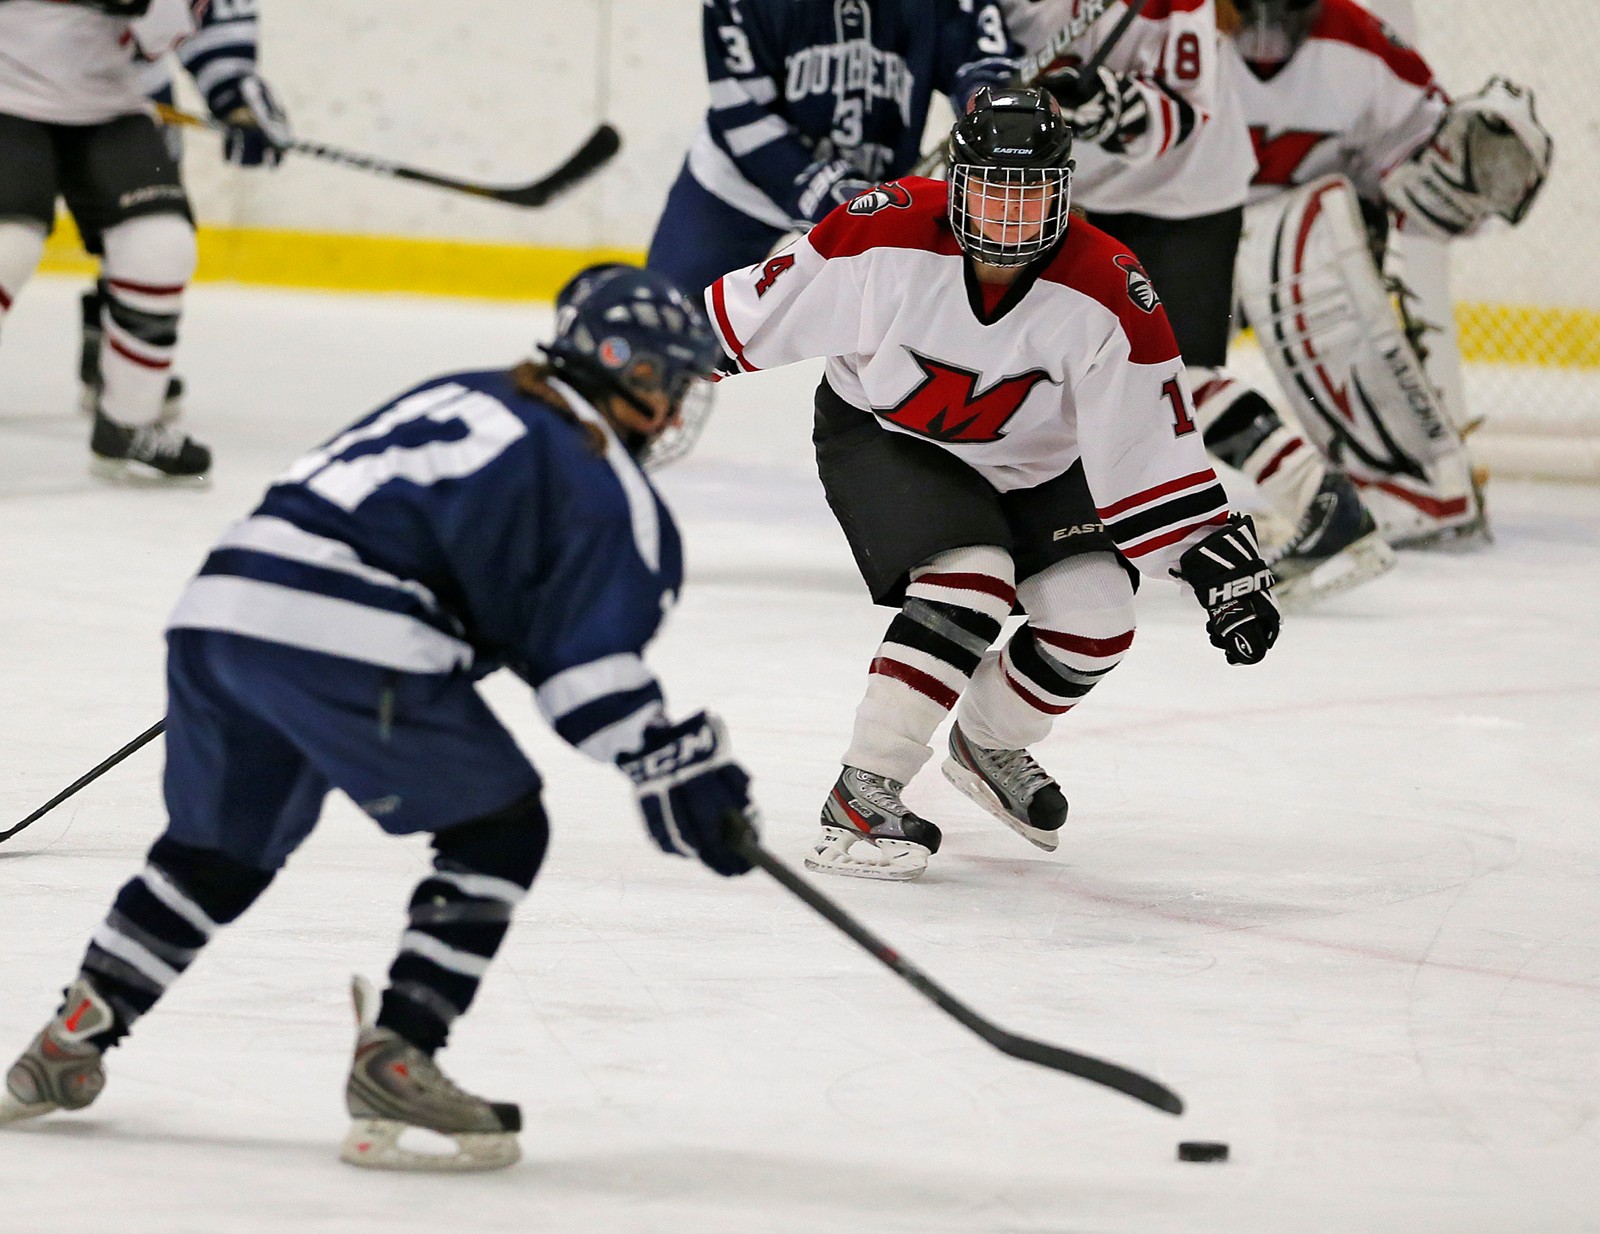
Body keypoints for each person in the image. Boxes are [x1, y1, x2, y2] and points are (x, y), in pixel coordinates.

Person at [0, 264, 760, 1172]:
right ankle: (400, 1052)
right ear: (626, 372)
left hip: (218, 607)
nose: (676, 413)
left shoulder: (461, 391)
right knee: (501, 829)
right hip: (350, 637)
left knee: (216, 852)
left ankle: (70, 1039)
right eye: (670, 385)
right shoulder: (604, 484)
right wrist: (675, 768)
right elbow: (584, 679)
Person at [705, 87, 1279, 881]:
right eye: (991, 193)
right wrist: (634, 376)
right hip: (888, 435)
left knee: (1097, 620)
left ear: (1065, 193)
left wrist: (1213, 557)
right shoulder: (887, 225)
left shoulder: (1111, 285)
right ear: (957, 181)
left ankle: (990, 742)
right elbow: (756, 311)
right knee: (970, 582)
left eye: (1030, 196)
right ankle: (863, 791)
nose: (1009, 218)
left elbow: (1149, 440)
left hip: (1036, 462)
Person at [1002, 0, 1396, 606]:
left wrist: (1116, 105)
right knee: (1081, 373)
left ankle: (1316, 494)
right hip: (1082, 191)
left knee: (1172, 379)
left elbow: (1186, 107)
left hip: (1182, 196)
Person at [1219, 0, 1551, 546]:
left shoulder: (1359, 40)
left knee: (1317, 228)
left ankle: (1396, 475)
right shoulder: (1175, 29)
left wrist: (1463, 168)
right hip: (1187, 248)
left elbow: (1424, 169)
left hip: (1304, 261)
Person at [0, 0, 284, 482]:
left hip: (112, 102)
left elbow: (209, 14)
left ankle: (129, 423)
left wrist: (234, 92)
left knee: (160, 244)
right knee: (8, 244)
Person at [646, 0, 1017, 293]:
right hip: (740, 186)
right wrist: (823, 188)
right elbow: (744, 112)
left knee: (914, 352)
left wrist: (994, 108)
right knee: (665, 321)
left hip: (879, 190)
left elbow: (979, 60)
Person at [76, 0, 292, 426]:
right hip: (13, 84)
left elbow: (208, 10)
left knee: (148, 231)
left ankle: (121, 354)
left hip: (128, 94)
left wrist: (232, 90)